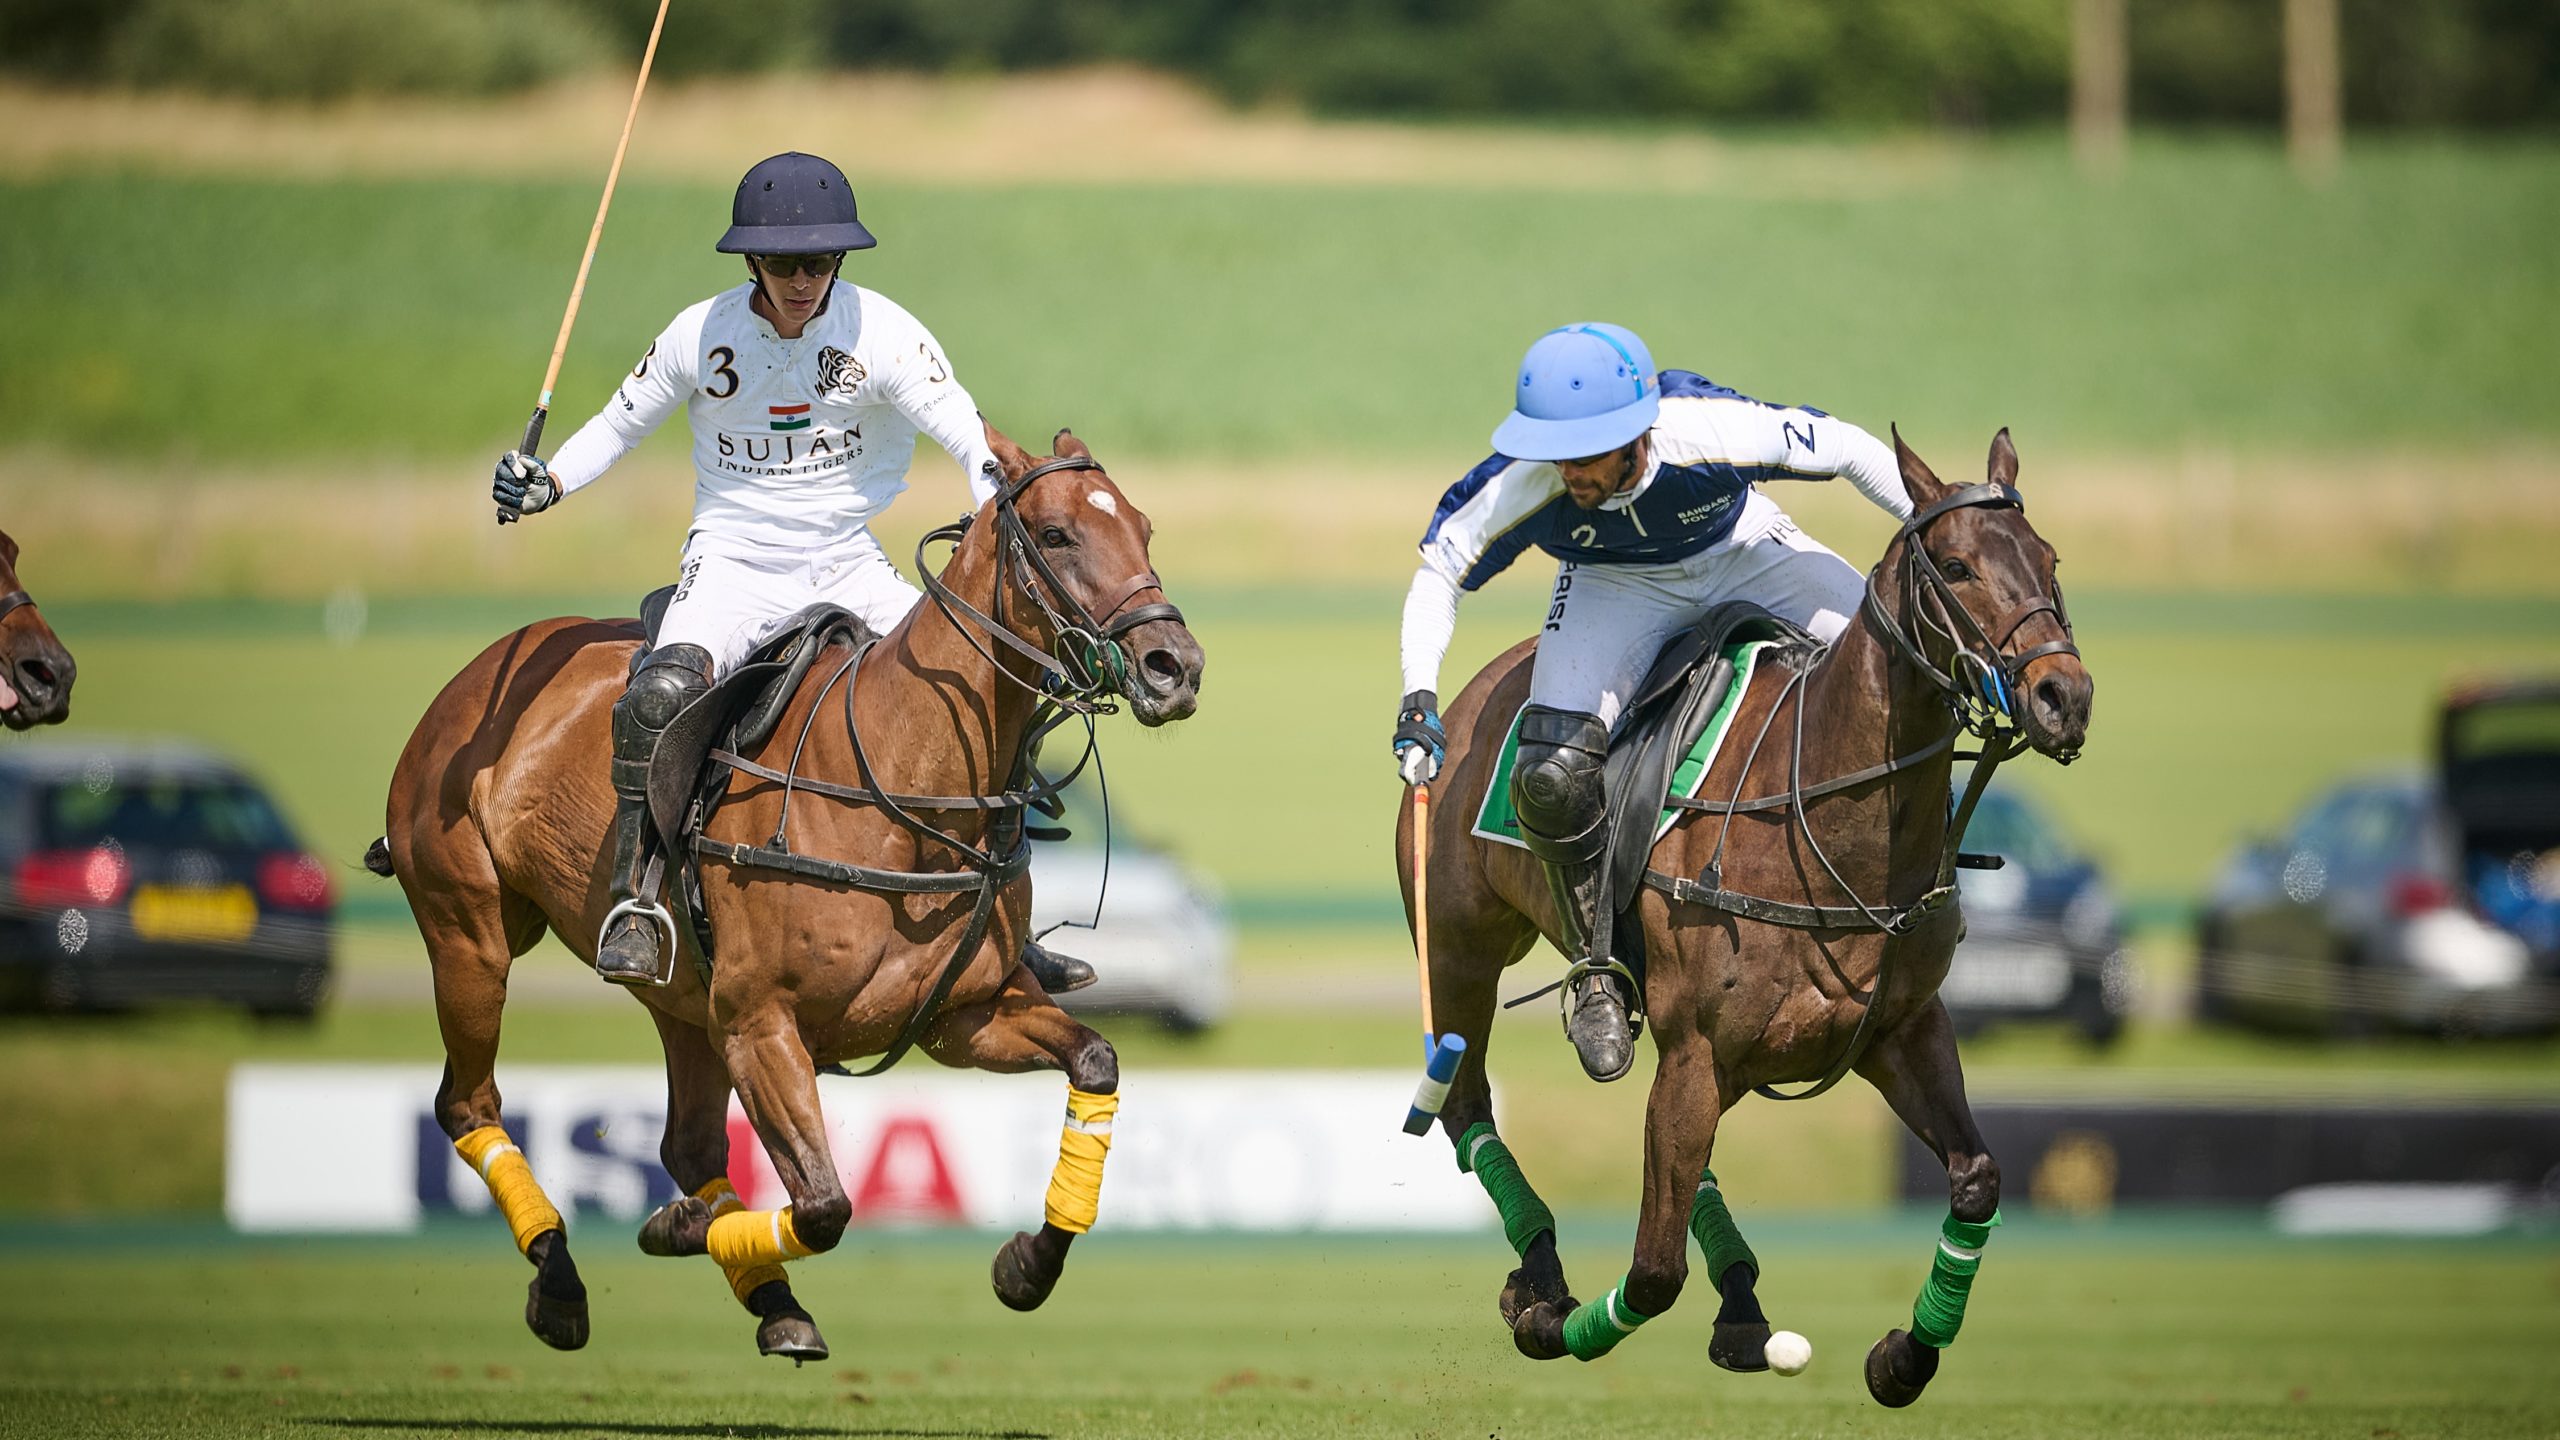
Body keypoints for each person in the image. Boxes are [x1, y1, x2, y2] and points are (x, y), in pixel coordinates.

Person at [491, 151, 1092, 996]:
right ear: (751, 263)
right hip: (731, 559)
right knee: (657, 698)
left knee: (986, 689)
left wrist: (996, 499)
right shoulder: (699, 335)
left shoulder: (881, 331)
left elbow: (964, 430)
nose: (803, 279)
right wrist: (548, 479)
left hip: (847, 558)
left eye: (818, 262)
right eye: (783, 263)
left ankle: (1005, 921)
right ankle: (640, 896)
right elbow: (617, 427)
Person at [1390, 323, 1914, 1081]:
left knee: (1891, 665)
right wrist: (1418, 697)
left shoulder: (1711, 431)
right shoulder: (1528, 479)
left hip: (1743, 550)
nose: (1568, 470)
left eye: (1587, 452)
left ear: (1638, 436)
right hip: (1613, 584)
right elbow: (1438, 569)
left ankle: (1920, 892)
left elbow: (1852, 450)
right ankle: (1598, 969)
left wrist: (1935, 524)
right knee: (1550, 773)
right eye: (1556, 452)